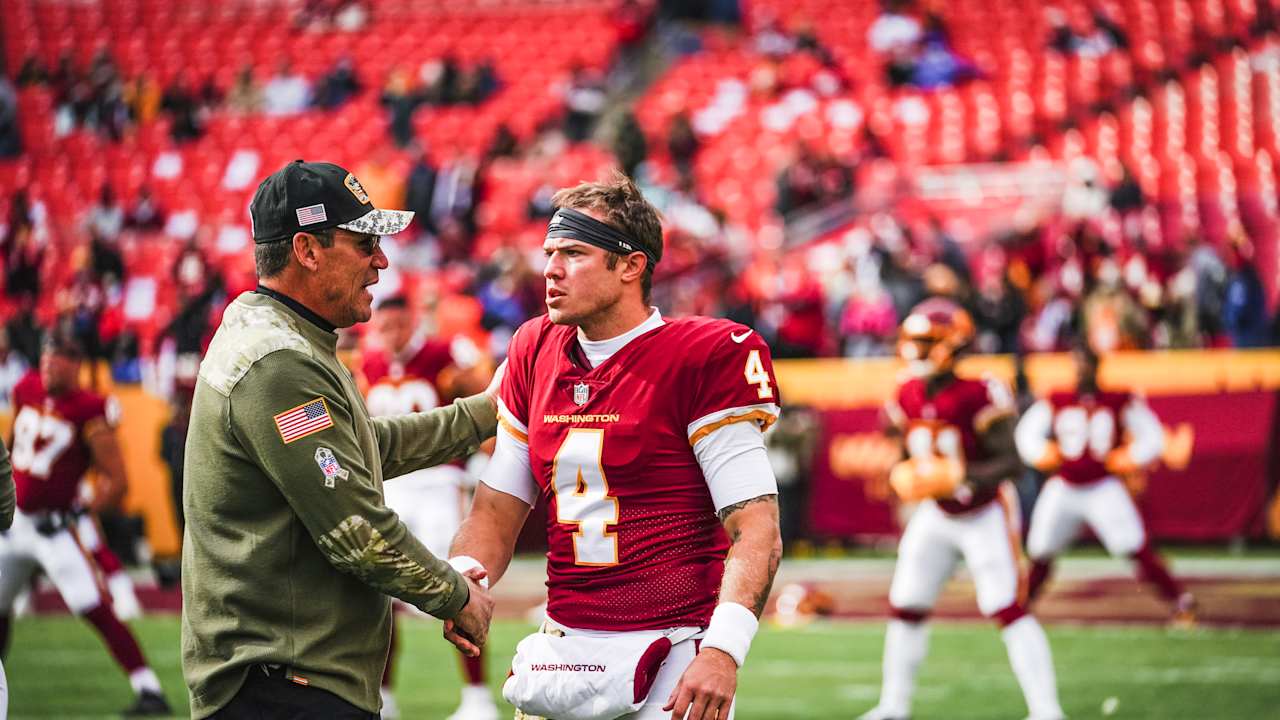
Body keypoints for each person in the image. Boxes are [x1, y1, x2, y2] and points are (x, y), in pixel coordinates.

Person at [450, 173, 785, 719]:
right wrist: (464, 576)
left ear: (631, 266)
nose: (551, 269)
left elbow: (757, 527)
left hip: (675, 647)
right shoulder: (534, 348)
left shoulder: (705, 354)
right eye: (550, 252)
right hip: (562, 643)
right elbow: (495, 510)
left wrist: (724, 651)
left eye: (575, 253)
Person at [181, 160, 499, 719]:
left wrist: (487, 413)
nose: (381, 261)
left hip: (289, 677)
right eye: (363, 243)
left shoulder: (279, 334)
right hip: (283, 685)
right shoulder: (278, 363)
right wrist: (456, 596)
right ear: (307, 250)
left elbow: (363, 445)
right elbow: (354, 530)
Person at [860, 298, 1063, 720]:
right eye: (912, 341)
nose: (914, 350)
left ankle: (1046, 711)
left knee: (1006, 606)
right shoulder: (906, 392)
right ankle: (893, 706)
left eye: (925, 342)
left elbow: (1012, 462)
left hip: (985, 511)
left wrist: (960, 476)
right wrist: (904, 471)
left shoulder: (980, 391)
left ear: (953, 345)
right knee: (907, 603)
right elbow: (902, 448)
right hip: (937, 513)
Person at [0, 331, 171, 716]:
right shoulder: (25, 388)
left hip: (54, 528)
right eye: (44, 356)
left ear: (75, 364)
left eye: (57, 357)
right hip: (13, 526)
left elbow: (119, 481)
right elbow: (9, 451)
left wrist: (78, 511)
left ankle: (150, 689)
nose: (47, 364)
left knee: (91, 605)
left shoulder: (90, 408)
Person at [361, 295, 498, 720]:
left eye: (398, 326)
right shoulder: (367, 364)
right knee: (377, 596)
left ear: (413, 322)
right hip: (392, 486)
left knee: (460, 582)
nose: (391, 336)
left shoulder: (442, 353)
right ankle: (384, 697)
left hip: (439, 481)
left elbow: (480, 393)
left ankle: (477, 696)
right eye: (383, 327)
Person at [1015, 342, 1196, 624]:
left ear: (1097, 368)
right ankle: (1021, 607)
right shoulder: (1057, 399)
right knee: (1040, 548)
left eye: (1086, 365)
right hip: (1065, 484)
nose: (1082, 371)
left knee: (1133, 545)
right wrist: (1041, 453)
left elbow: (1152, 435)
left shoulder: (1118, 399)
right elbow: (1026, 434)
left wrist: (1130, 456)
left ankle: (1180, 601)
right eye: (1078, 365)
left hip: (1102, 486)